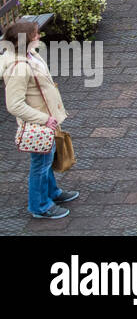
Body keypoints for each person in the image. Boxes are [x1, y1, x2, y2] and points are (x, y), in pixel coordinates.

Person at [2, 20, 75, 219]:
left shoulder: (30, 55)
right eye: (35, 35)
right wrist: (44, 118)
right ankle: (40, 206)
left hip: (46, 119)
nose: (39, 37)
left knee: (47, 158)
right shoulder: (18, 68)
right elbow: (14, 105)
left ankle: (52, 193)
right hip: (39, 123)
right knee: (40, 165)